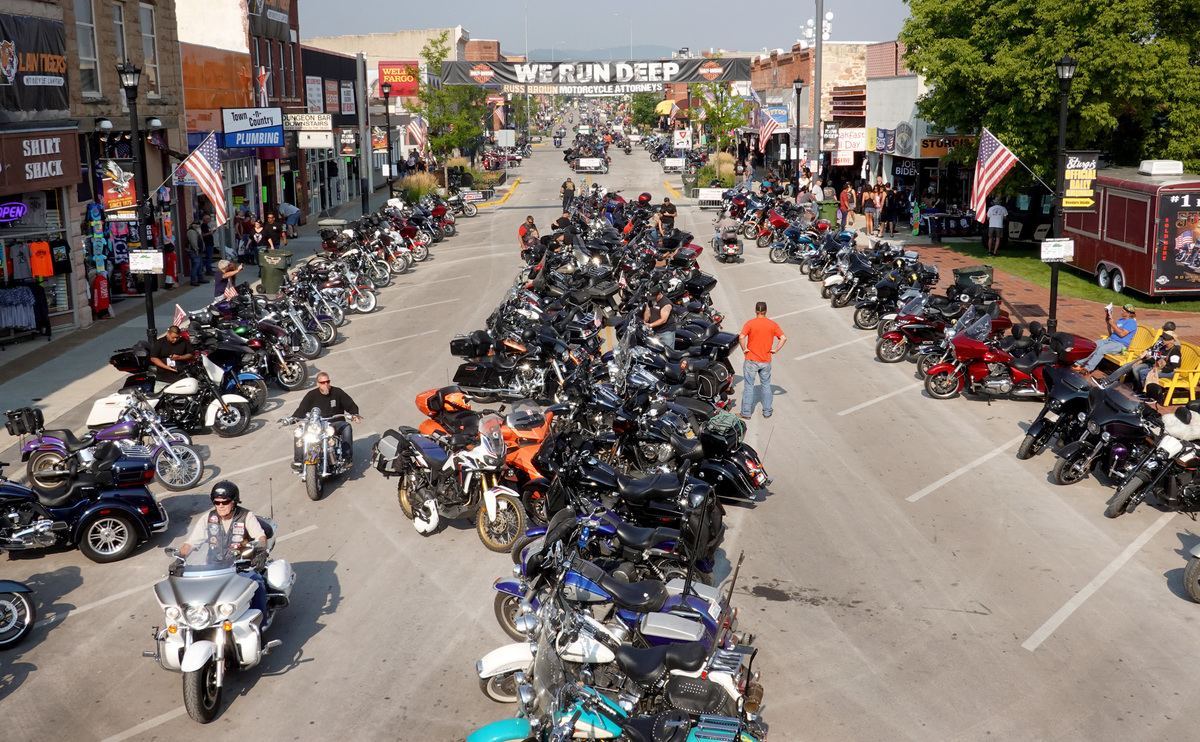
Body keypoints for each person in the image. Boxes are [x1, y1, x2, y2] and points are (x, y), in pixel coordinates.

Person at [178, 481, 270, 620]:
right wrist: (179, 558)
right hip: (214, 567)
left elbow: (261, 538)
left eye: (225, 502)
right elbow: (191, 543)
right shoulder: (208, 518)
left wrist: (261, 552)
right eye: (217, 502)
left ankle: (261, 624)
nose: (221, 506)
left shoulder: (246, 516)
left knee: (257, 584)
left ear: (234, 502)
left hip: (241, 566)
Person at [291, 372, 362, 467]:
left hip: (334, 423)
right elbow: (301, 410)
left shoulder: (337, 392)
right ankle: (299, 461)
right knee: (299, 431)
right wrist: (292, 419)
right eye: (323, 382)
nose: (326, 384)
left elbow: (350, 405)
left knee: (347, 427)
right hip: (316, 425)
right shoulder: (311, 395)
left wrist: (354, 415)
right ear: (318, 384)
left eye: (327, 382)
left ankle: (347, 458)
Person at [739, 301, 787, 419]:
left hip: (751, 359)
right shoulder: (772, 324)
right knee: (766, 385)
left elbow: (741, 337)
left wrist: (744, 349)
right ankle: (767, 412)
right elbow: (783, 338)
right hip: (765, 360)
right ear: (766, 311)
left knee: (749, 386)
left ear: (756, 311)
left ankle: (746, 413)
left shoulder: (750, 323)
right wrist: (775, 349)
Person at [1104, 324, 1180, 391]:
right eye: (1164, 330)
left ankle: (1143, 390)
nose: (1164, 339)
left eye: (1166, 338)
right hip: (1151, 362)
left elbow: (1173, 366)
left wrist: (1159, 370)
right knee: (1129, 366)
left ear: (1172, 340)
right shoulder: (1163, 344)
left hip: (1163, 369)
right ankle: (1107, 381)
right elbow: (1155, 355)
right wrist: (1145, 355)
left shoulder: (1174, 349)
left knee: (1140, 370)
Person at [1076, 304, 1139, 373]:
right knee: (1093, 345)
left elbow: (1122, 334)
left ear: (1129, 313)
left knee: (1101, 350)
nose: (1121, 312)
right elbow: (1111, 333)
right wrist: (1108, 323)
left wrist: (1112, 324)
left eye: (1123, 311)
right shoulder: (1120, 320)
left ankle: (1087, 368)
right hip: (1111, 340)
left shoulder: (1131, 323)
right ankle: (1078, 364)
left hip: (1120, 345)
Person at [185, 220, 206, 286]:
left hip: (197, 251)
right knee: (196, 265)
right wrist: (196, 250)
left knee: (199, 265)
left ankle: (200, 278)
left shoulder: (196, 231)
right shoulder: (191, 232)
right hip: (193, 251)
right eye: (198, 225)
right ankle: (193, 280)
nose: (199, 226)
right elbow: (193, 242)